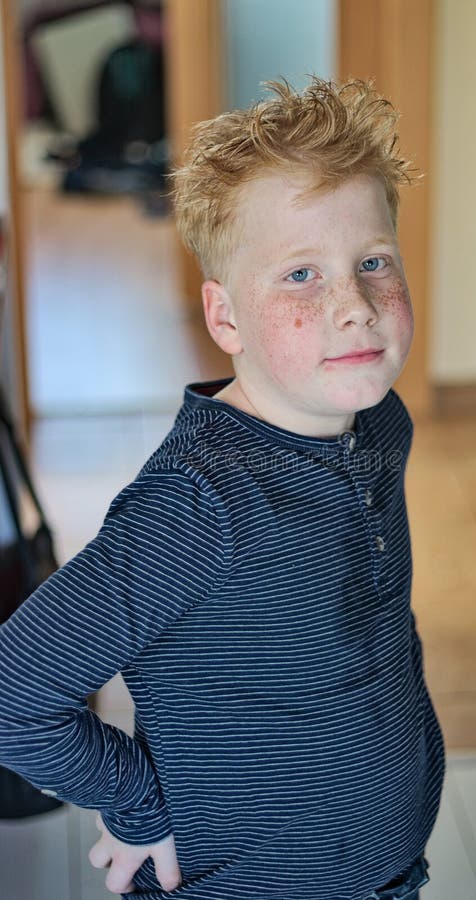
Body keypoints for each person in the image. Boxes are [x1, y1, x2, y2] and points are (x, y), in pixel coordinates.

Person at [0, 77, 445, 899]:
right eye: (300, 275)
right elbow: (13, 691)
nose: (354, 304)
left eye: (373, 261)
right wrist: (136, 803)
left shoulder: (380, 426)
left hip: (384, 875)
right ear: (224, 317)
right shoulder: (198, 507)